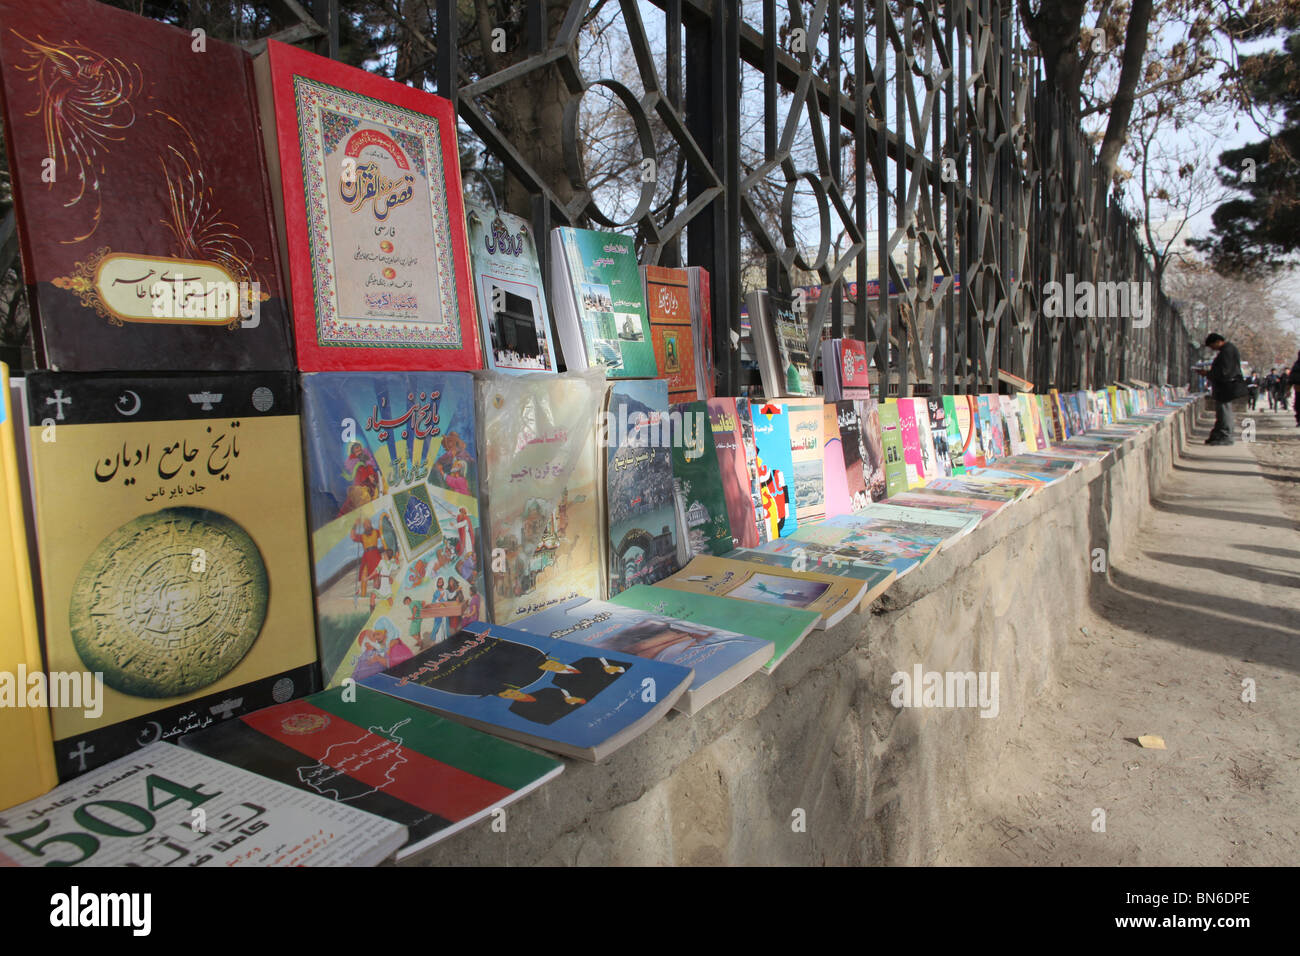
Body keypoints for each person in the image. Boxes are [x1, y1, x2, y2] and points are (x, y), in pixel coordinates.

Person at [1203, 333, 1245, 445]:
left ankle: (1226, 436)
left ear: (1218, 341)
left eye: (1212, 345)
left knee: (1224, 411)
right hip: (1225, 387)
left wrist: (1208, 373)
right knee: (1222, 412)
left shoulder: (1227, 351)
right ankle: (1219, 435)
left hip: (1226, 387)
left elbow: (1224, 371)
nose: (1212, 349)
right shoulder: (1227, 350)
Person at [1290, 350, 1300, 427]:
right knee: (1298, 404)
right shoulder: (1297, 365)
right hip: (1298, 387)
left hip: (1298, 387)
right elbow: (1292, 377)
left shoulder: (1296, 365)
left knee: (1298, 404)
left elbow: (1291, 377)